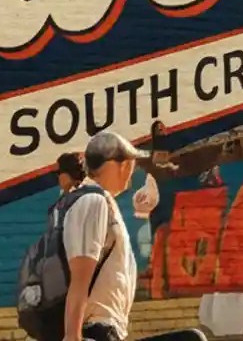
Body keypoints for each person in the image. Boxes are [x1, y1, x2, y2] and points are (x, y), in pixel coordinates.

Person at [62, 130, 205, 341]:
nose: (132, 171)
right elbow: (80, 275)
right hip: (95, 332)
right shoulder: (92, 202)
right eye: (131, 164)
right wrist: (72, 336)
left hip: (106, 331)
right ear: (119, 165)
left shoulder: (100, 201)